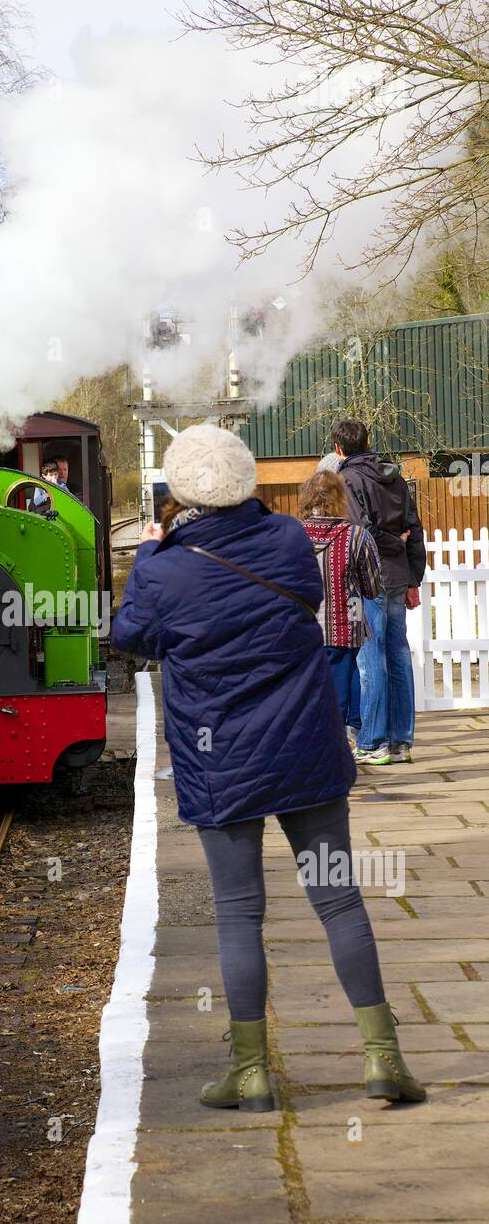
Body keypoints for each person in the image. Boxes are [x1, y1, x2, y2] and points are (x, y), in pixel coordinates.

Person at [111, 422, 424, 1112]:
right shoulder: (286, 537)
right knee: (339, 898)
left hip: (220, 757)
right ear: (247, 479)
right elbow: (305, 602)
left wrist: (156, 558)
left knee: (237, 913)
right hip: (306, 744)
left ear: (181, 490)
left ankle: (251, 1073)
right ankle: (384, 1059)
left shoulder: (164, 569)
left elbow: (130, 638)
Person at [332, 419, 426, 766]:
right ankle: (402, 741)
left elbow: (362, 532)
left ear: (339, 449)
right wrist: (414, 576)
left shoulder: (346, 480)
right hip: (399, 576)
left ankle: (373, 742)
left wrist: (390, 543)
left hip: (368, 579)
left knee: (370, 657)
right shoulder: (396, 476)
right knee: (398, 655)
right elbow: (414, 528)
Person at [297, 470, 381, 743]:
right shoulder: (357, 536)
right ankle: (347, 731)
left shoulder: (293, 534)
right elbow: (372, 587)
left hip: (303, 626)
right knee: (349, 673)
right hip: (346, 621)